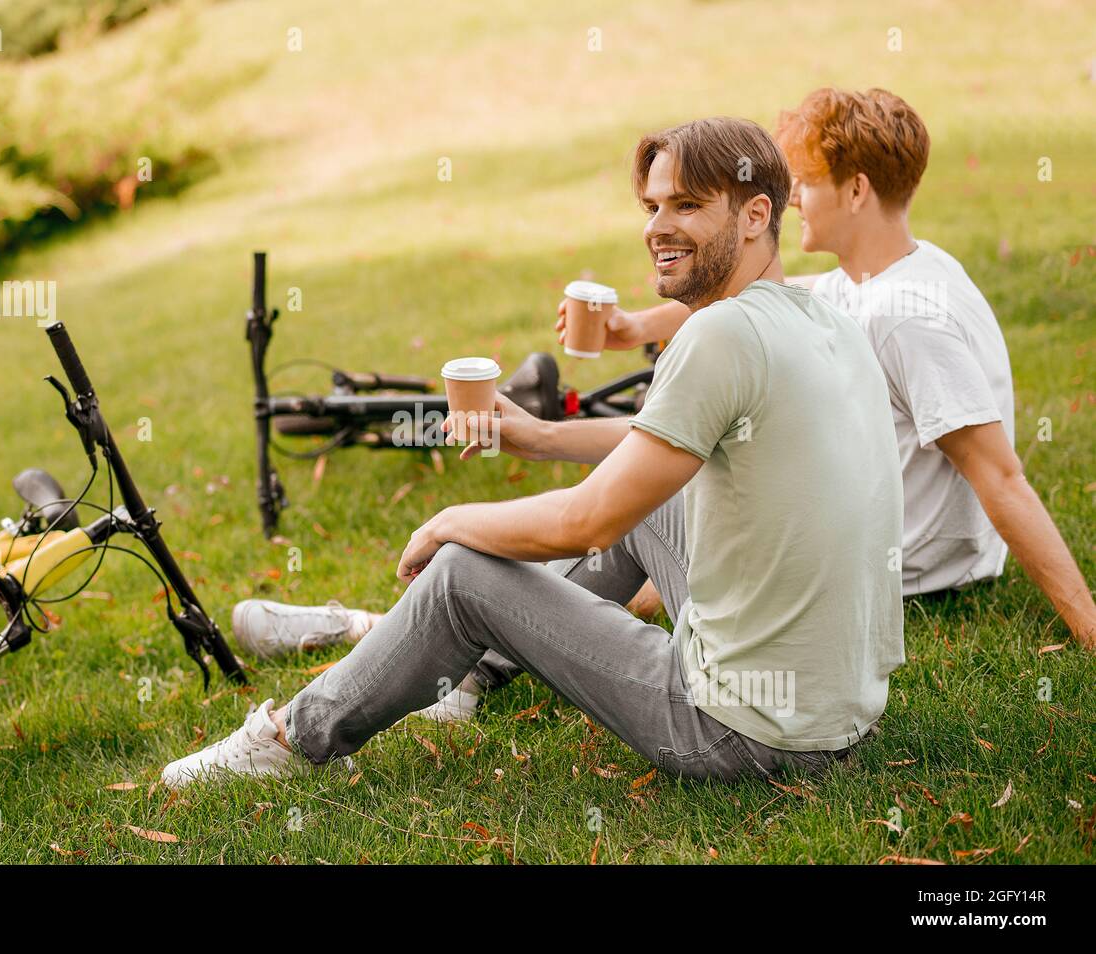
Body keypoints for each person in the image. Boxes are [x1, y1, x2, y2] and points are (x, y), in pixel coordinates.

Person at [162, 116, 903, 787]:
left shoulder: (719, 335)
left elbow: (586, 525)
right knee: (651, 496)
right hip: (840, 712)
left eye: (686, 205)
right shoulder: (817, 312)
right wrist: (539, 436)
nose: (658, 226)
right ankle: (462, 675)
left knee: (461, 574)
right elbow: (668, 445)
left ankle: (289, 737)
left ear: (755, 214)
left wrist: (451, 518)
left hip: (742, 733)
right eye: (652, 206)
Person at [553, 88, 1096, 655]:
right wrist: (634, 327)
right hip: (865, 535)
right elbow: (782, 291)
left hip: (900, 561)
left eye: (806, 185)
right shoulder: (890, 272)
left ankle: (496, 622)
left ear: (856, 189)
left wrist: (1087, 628)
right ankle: (524, 612)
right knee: (657, 523)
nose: (792, 203)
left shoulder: (907, 320)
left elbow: (1001, 476)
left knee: (654, 505)